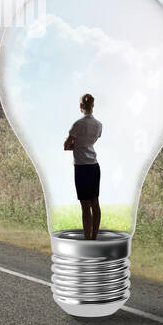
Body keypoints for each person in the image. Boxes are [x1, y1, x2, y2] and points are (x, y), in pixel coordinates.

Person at [64, 93, 103, 241]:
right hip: (94, 166)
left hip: (81, 167)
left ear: (81, 106)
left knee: (85, 206)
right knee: (95, 202)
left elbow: (66, 146)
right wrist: (83, 144)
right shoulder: (99, 125)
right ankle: (94, 238)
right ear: (93, 105)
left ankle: (87, 239)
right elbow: (91, 142)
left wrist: (76, 145)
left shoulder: (77, 124)